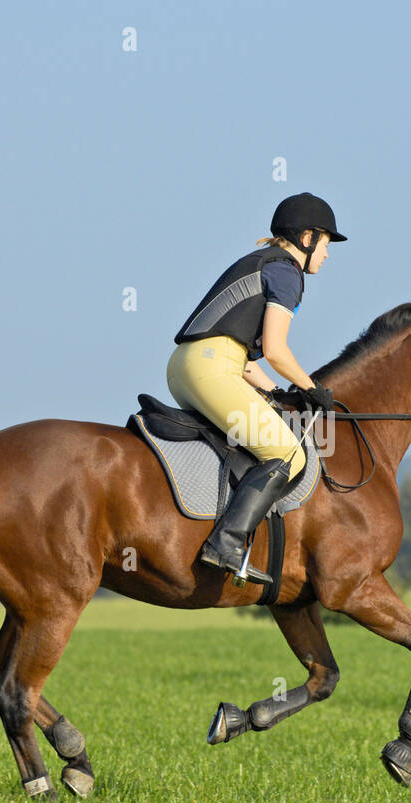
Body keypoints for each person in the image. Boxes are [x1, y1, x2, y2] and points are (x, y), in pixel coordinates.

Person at [167, 192, 346, 585]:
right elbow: (278, 350)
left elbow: (246, 360)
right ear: (307, 238)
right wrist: (312, 388)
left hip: (190, 367)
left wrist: (278, 393)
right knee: (287, 454)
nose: (328, 255)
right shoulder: (287, 273)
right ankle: (226, 543)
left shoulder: (257, 263)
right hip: (212, 370)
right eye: (327, 244)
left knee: (257, 435)